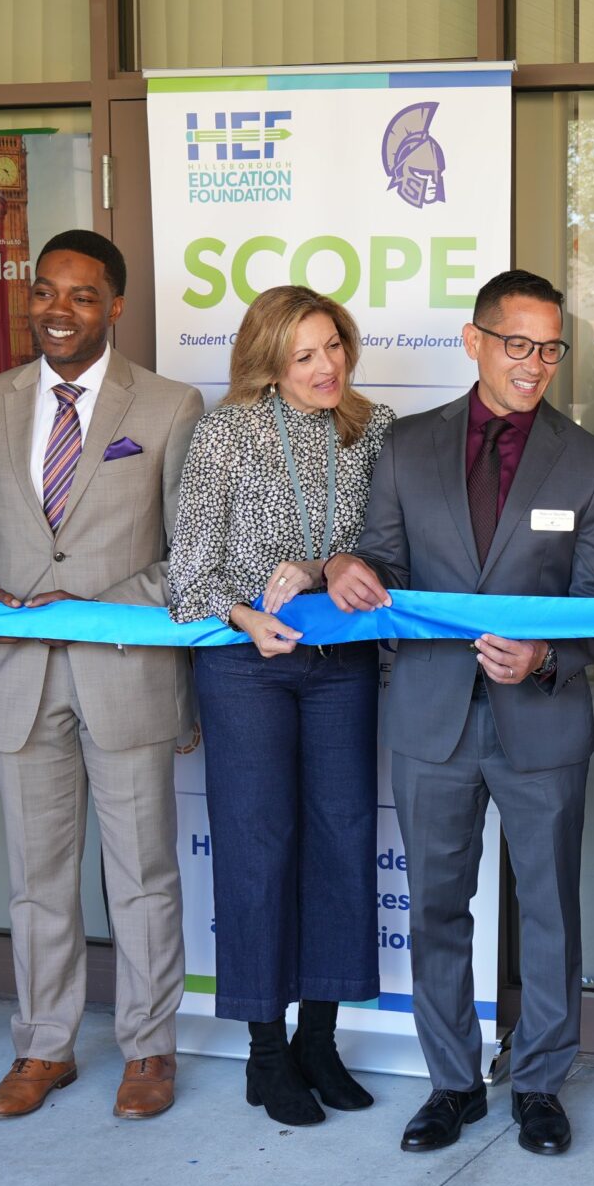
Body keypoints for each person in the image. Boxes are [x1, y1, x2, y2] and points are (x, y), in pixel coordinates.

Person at [329, 269, 594, 1158]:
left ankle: (539, 1083)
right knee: (436, 909)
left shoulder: (591, 460)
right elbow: (379, 556)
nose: (535, 364)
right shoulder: (406, 445)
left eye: (550, 348)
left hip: (542, 716)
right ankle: (452, 1081)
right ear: (474, 340)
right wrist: (347, 562)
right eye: (517, 344)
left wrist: (547, 657)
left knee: (549, 912)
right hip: (431, 717)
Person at [0, 231, 204, 1121]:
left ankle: (148, 1050)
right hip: (18, 676)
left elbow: (188, 559)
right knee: (37, 877)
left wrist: (85, 605)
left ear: (116, 305)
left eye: (82, 295)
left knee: (141, 875)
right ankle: (42, 1047)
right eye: (46, 292)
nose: (60, 310)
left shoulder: (169, 406)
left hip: (125, 674)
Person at [166, 284, 396, 1127]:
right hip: (246, 667)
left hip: (343, 665)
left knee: (342, 838)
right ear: (268, 362)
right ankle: (267, 1053)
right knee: (259, 845)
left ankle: (320, 1041)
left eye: (333, 345)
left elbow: (393, 543)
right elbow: (187, 565)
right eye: (304, 355)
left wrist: (334, 559)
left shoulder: (373, 430)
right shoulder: (226, 433)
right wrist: (244, 613)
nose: (326, 365)